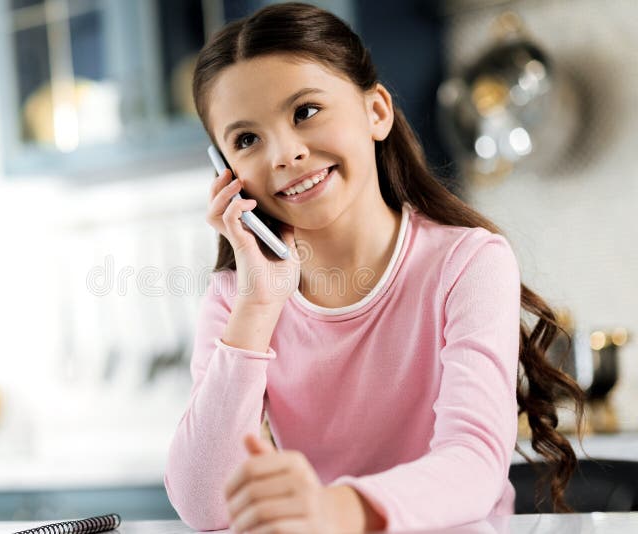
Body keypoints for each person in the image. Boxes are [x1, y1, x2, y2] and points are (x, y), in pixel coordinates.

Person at [164, 3, 584, 532]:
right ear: (226, 172)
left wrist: (336, 508)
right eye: (247, 140)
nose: (285, 154)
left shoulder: (467, 263)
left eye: (305, 111)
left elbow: (474, 462)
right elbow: (204, 505)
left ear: (376, 111)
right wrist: (257, 305)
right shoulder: (238, 298)